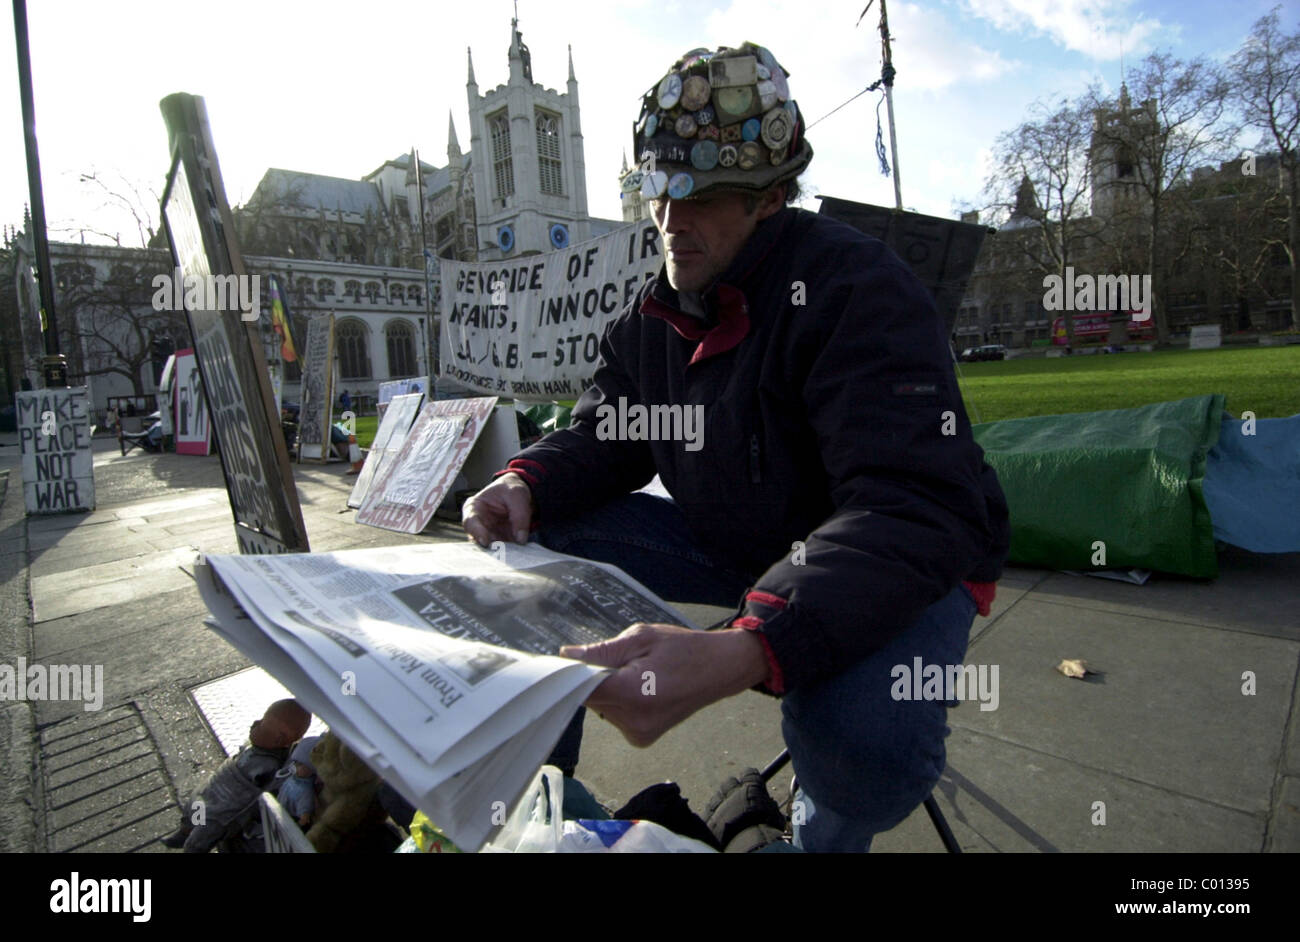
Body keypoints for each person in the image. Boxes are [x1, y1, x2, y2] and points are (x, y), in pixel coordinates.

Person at [461, 42, 1010, 852]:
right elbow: (606, 435)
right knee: (534, 540)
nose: (672, 221)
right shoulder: (651, 317)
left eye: (704, 193)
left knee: (860, 740)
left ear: (770, 198)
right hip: (746, 543)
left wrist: (749, 647)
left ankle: (820, 841)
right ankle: (536, 810)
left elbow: (910, 502)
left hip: (902, 561)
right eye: (658, 189)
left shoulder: (857, 288)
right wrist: (525, 482)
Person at [160, 699, 311, 852]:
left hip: (226, 809)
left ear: (279, 739)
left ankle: (191, 847)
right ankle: (185, 831)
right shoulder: (256, 745)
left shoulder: (269, 765)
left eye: (263, 724)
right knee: (195, 805)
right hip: (214, 789)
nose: (256, 723)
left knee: (204, 831)